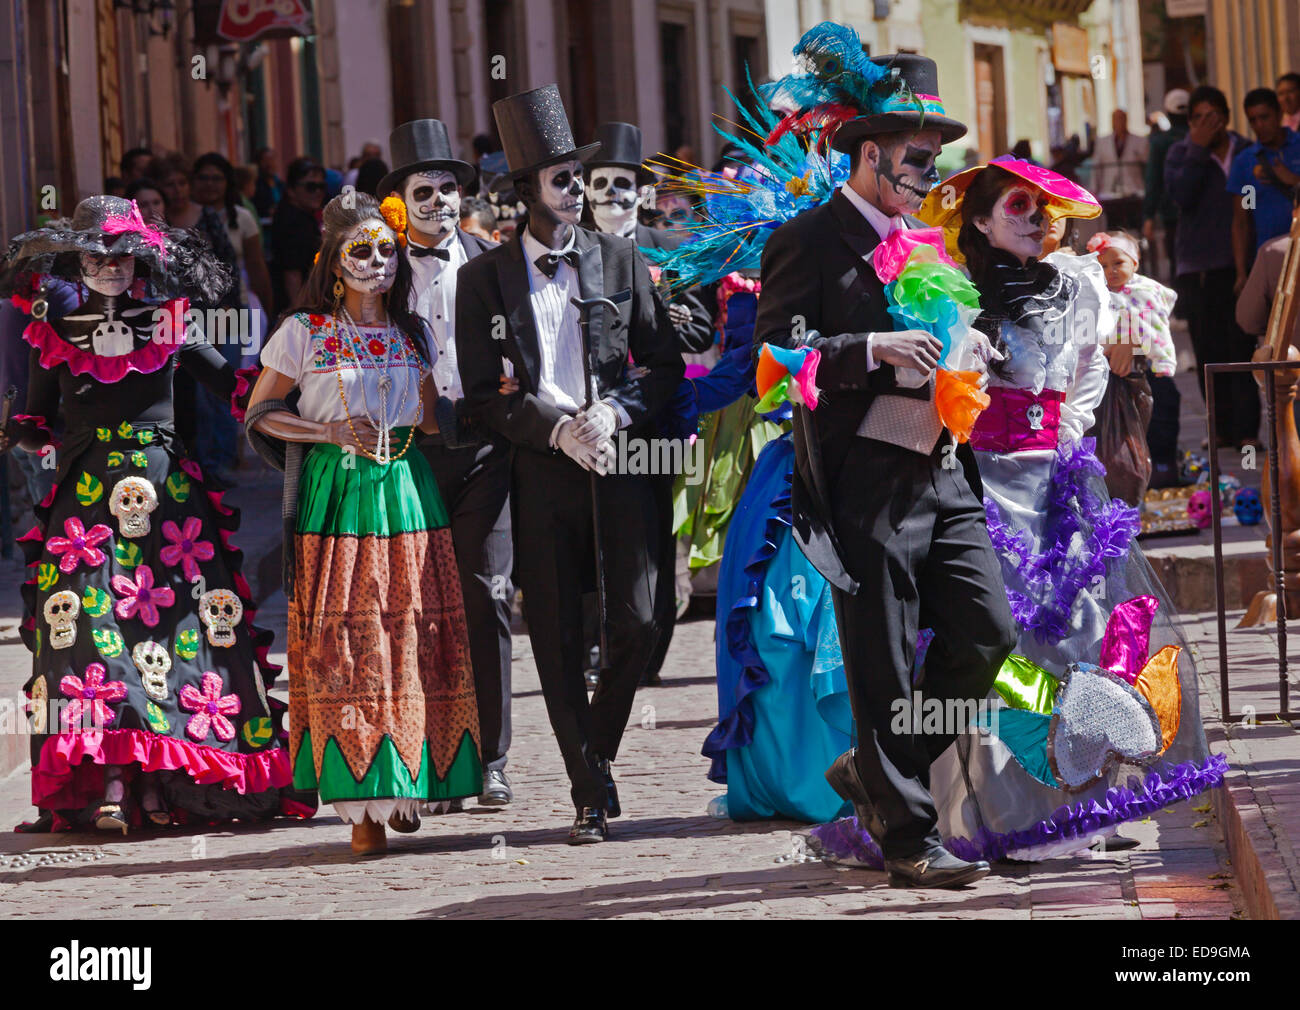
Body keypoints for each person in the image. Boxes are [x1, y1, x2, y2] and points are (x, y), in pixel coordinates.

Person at [811, 158, 1223, 869]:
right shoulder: (953, 291)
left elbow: (1089, 367)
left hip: (1058, 488)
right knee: (1003, 651)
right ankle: (997, 813)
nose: (1035, 220)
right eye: (1016, 207)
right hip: (978, 490)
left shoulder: (1076, 289)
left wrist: (1069, 436)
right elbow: (932, 386)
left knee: (1083, 637)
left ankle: (1078, 804)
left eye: (1042, 209)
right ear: (978, 220)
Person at [752, 25, 1015, 888]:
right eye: (916, 152)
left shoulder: (930, 240)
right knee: (884, 658)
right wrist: (870, 348)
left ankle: (875, 769)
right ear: (867, 154)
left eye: (935, 152)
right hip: (864, 481)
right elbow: (775, 358)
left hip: (942, 470)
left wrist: (969, 349)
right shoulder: (808, 239)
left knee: (985, 632)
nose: (929, 168)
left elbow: (946, 338)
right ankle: (906, 835)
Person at [0, 195, 293, 833]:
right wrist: (15, 432)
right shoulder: (51, 328)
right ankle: (110, 778)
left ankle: (165, 783)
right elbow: (39, 418)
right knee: (81, 636)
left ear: (141, 264)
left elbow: (234, 385)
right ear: (76, 262)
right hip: (82, 513)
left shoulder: (171, 323)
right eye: (97, 258)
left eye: (124, 258)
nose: (111, 269)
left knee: (175, 638)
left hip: (169, 512)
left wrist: (303, 376)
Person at [456, 84, 684, 844]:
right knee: (552, 634)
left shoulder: (621, 258)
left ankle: (598, 753)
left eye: (580, 177)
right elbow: (485, 395)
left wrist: (615, 413)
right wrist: (555, 432)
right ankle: (589, 791)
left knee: (642, 620)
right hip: (543, 467)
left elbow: (661, 365)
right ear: (526, 193)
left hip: (620, 458)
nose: (578, 189)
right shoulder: (480, 280)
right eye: (562, 178)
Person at [245, 192, 481, 856]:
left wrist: (489, 393)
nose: (376, 262)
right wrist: (326, 428)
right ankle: (361, 809)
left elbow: (433, 420)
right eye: (361, 251)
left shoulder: (414, 333)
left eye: (386, 249)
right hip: (339, 497)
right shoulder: (305, 332)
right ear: (333, 261)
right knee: (349, 644)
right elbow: (259, 412)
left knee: (412, 635)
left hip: (407, 494)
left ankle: (407, 776)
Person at [378, 118, 515, 808]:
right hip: (409, 452)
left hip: (486, 447)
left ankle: (490, 758)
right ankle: (435, 758)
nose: (439, 201)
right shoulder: (374, 267)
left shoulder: (494, 259)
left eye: (450, 188)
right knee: (420, 607)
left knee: (485, 595)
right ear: (400, 199)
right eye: (423, 189)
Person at [1166, 85, 1259, 450]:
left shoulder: (1246, 151)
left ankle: (1248, 431)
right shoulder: (1180, 153)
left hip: (1238, 266)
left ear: (1226, 117)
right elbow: (1180, 196)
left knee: (1242, 347)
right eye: (1200, 118)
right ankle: (1219, 429)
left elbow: (1250, 204)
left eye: (1214, 116)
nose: (1209, 124)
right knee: (1209, 350)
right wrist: (1197, 149)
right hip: (1199, 267)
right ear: (1190, 123)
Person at [147, 154, 245, 483]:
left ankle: (218, 461)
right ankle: (196, 462)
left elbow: (226, 267)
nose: (175, 191)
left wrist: (232, 314)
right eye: (168, 185)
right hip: (173, 317)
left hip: (218, 312)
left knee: (219, 386)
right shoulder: (150, 224)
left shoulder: (207, 218)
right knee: (189, 395)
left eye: (180, 183)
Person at [1088, 230, 1182, 492]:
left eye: (1118, 263)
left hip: (1150, 367)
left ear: (1135, 263)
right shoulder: (1097, 295)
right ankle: (1125, 474)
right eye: (1103, 266)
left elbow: (1159, 327)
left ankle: (1163, 464)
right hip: (1111, 371)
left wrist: (1161, 362)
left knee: (1161, 410)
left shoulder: (1146, 291)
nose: (1111, 271)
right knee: (1122, 425)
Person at [191, 151, 274, 343]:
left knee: (229, 370)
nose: (210, 184)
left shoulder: (242, 218)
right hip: (191, 311)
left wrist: (268, 314)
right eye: (203, 178)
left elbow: (256, 267)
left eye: (217, 178)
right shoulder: (185, 217)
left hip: (233, 307)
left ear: (227, 182)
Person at [1228, 87, 1300, 284]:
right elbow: (1243, 218)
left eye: (1264, 117)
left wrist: (1293, 181)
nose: (1259, 125)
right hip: (1269, 260)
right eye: (1253, 120)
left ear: (1279, 114)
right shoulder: (1247, 162)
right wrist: (1241, 272)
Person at [1143, 89, 1190, 285]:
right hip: (1198, 209)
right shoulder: (1201, 138)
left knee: (1175, 256)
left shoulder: (1160, 142)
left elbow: (1154, 179)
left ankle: (1181, 301)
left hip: (1172, 209)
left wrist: (1149, 215)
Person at [270, 157, 325, 312]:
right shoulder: (292, 221)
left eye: (322, 186)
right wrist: (298, 312)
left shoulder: (304, 216)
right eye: (310, 187)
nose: (318, 192)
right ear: (291, 190)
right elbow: (291, 272)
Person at [1090, 109, 1148, 234]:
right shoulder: (1102, 142)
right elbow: (1097, 166)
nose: (1119, 122)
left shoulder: (1139, 141)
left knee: (1135, 224)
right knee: (1113, 225)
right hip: (1110, 191)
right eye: (1116, 119)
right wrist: (1094, 190)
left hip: (1133, 189)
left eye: (1122, 119)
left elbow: (1145, 163)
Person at [252, 147, 283, 221]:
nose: (270, 164)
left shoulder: (281, 185)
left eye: (272, 160)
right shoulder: (255, 186)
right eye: (265, 161)